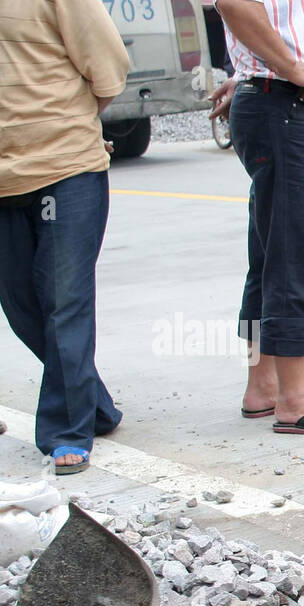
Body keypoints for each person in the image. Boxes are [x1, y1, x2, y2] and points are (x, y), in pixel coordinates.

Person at [213, 0, 304, 434]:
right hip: (284, 105)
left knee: (270, 253)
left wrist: (254, 73)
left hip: (276, 100)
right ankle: (294, 397)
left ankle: (264, 385)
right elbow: (234, 4)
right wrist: (290, 67)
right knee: (294, 253)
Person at [0, 0, 129, 475]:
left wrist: (67, 121)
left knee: (64, 301)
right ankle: (93, 406)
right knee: (21, 307)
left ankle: (65, 431)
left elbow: (108, 64)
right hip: (2, 180)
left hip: (65, 167)